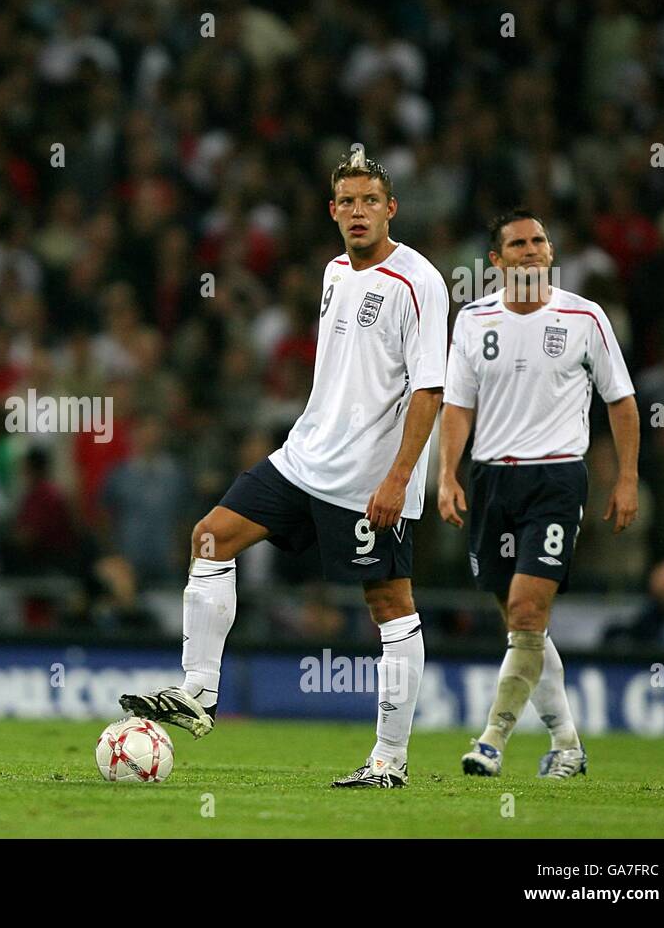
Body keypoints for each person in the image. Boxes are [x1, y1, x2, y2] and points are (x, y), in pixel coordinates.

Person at [121, 149, 450, 788]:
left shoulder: (420, 284)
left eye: (370, 201)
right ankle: (199, 692)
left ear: (391, 209)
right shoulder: (333, 272)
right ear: (332, 212)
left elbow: (429, 391)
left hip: (368, 479)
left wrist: (400, 477)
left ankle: (389, 760)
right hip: (303, 458)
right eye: (347, 202)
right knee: (210, 536)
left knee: (389, 602)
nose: (358, 212)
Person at [440, 208, 639, 778]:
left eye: (539, 241)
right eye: (517, 244)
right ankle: (568, 745)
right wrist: (447, 473)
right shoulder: (474, 320)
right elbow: (458, 405)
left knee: (528, 610)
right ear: (496, 261)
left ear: (551, 252)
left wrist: (625, 478)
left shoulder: (584, 317)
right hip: (490, 479)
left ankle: (490, 741)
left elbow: (621, 402)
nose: (531, 250)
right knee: (523, 627)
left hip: (554, 478)